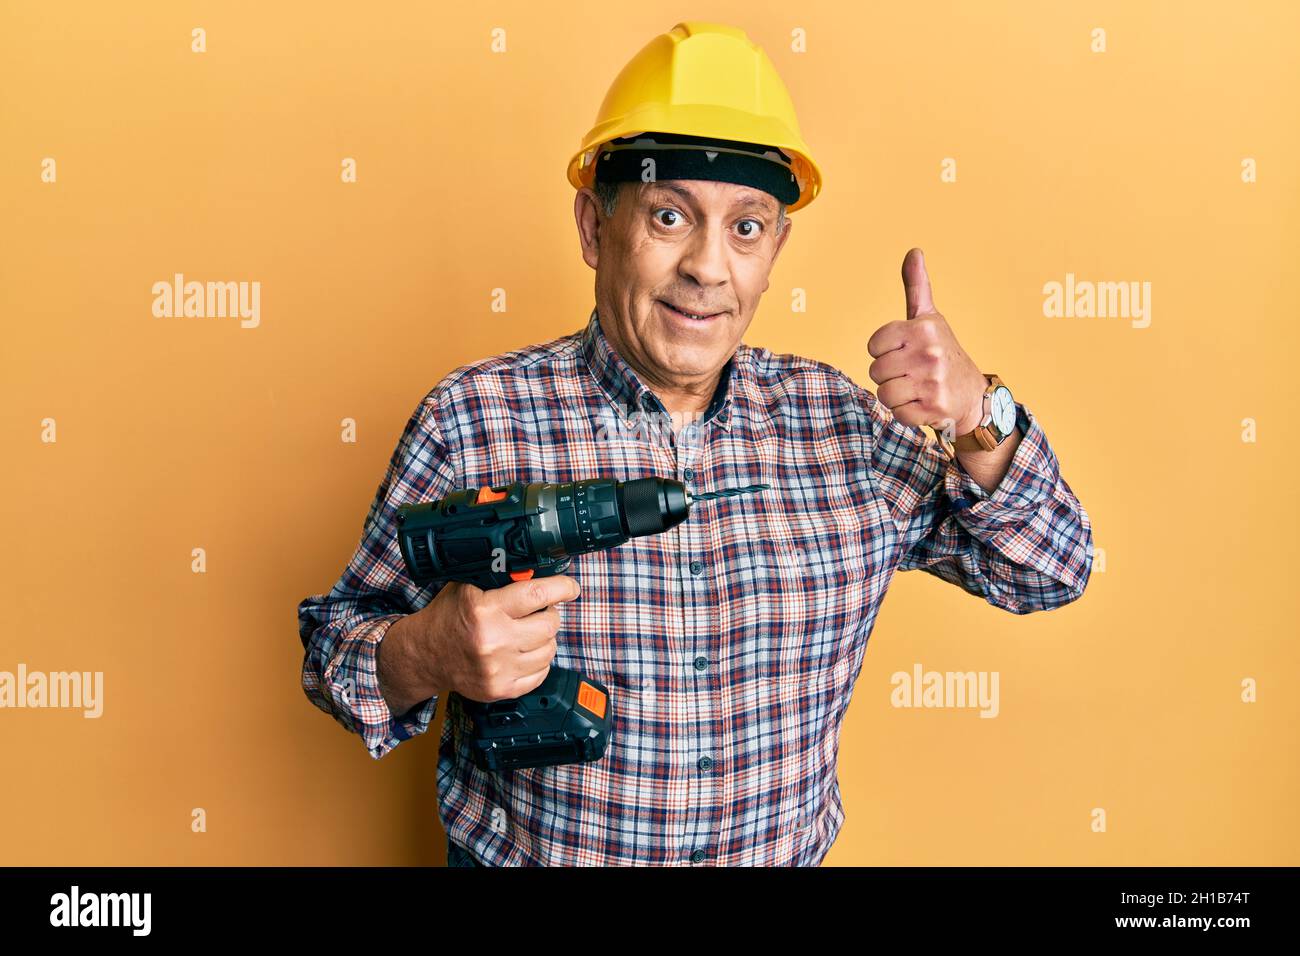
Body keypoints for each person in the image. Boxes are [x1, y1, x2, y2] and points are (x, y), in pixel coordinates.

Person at [297, 21, 1093, 867]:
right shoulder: (475, 419)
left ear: (775, 250)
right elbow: (334, 655)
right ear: (594, 228)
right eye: (669, 215)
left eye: (746, 227)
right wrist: (424, 652)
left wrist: (977, 411)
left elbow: (1050, 570)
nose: (708, 269)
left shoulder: (844, 429)